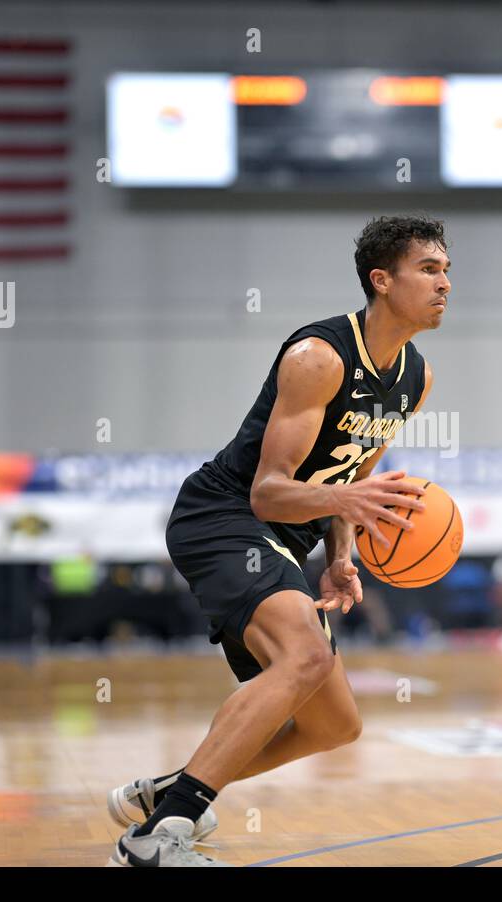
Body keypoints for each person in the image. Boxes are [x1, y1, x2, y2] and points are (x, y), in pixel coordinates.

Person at [107, 215, 448, 866]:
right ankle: (158, 836)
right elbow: (269, 490)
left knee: (335, 725)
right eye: (428, 270)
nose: (444, 284)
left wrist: (343, 557)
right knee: (307, 658)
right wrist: (341, 504)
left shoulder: (415, 378)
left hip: (288, 538)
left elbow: (356, 475)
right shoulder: (317, 357)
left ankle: (171, 794)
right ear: (382, 280)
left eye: (446, 271)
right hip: (226, 515)